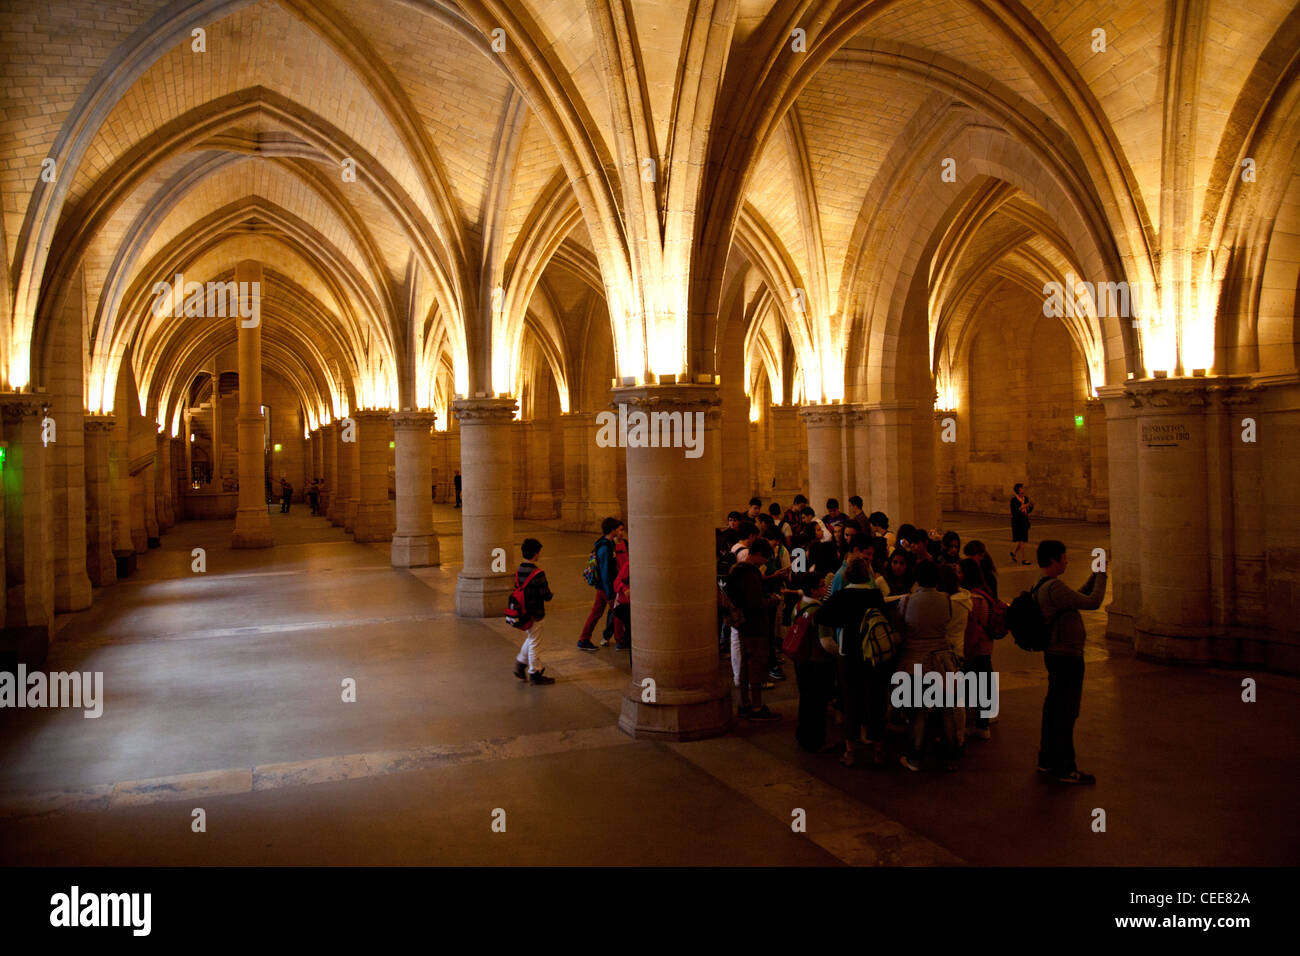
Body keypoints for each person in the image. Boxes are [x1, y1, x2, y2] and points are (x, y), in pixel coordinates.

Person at [1035, 539, 1107, 784]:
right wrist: (1103, 574)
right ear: (1054, 560)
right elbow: (1093, 601)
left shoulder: (1045, 585)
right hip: (1066, 657)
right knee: (1066, 712)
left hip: (1056, 655)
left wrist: (1095, 573)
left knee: (1054, 709)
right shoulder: (1054, 587)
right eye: (1064, 558)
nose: (1067, 561)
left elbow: (1078, 596)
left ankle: (1047, 760)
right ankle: (1064, 767)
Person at [815, 556, 889, 766]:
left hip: (849, 653)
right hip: (872, 654)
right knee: (875, 700)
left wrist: (844, 623)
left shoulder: (842, 596)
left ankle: (850, 751)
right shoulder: (875, 595)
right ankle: (878, 749)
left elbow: (822, 617)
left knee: (851, 701)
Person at [896, 561, 962, 772]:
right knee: (946, 711)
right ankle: (952, 757)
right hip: (942, 662)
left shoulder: (907, 601)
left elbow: (902, 626)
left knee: (917, 712)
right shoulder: (946, 600)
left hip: (914, 662)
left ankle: (914, 757)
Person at [726, 537, 781, 720]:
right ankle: (757, 707)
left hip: (741, 624)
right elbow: (755, 603)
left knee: (744, 665)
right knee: (756, 665)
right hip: (754, 625)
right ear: (757, 554)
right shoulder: (750, 574)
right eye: (765, 558)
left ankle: (744, 703)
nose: (765, 562)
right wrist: (773, 600)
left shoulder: (737, 569)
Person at [784, 573, 835, 752]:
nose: (825, 588)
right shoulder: (819, 610)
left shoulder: (798, 606)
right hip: (818, 662)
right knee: (818, 703)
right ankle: (816, 740)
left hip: (801, 660)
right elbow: (826, 641)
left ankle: (803, 735)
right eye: (822, 585)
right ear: (813, 589)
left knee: (805, 699)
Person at [959, 557, 997, 739]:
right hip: (986, 647)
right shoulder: (986, 592)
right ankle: (984, 723)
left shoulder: (974, 598)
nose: (957, 575)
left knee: (972, 684)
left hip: (977, 648)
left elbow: (974, 628)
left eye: (960, 572)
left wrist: (967, 651)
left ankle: (978, 725)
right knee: (984, 683)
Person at [512, 538, 555, 684]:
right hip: (535, 612)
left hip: (523, 612)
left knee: (531, 637)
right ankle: (534, 672)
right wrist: (550, 595)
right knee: (535, 642)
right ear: (536, 554)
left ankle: (520, 664)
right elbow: (546, 594)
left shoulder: (519, 570)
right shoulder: (538, 573)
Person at [577, 517, 624, 650]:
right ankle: (620, 641)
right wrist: (610, 593)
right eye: (616, 528)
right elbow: (605, 572)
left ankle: (584, 639)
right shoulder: (605, 548)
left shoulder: (607, 545)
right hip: (606, 588)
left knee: (597, 613)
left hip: (603, 587)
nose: (618, 531)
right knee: (618, 613)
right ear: (612, 530)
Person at [1010, 482, 1033, 565]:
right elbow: (1014, 512)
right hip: (1017, 522)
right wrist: (1023, 506)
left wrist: (1030, 507)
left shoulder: (1025, 498)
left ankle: (1013, 552)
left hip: (1024, 521)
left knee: (1022, 540)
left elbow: (1028, 511)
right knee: (1022, 540)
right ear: (1018, 490)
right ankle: (1024, 559)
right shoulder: (1014, 500)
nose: (1023, 490)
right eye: (1021, 488)